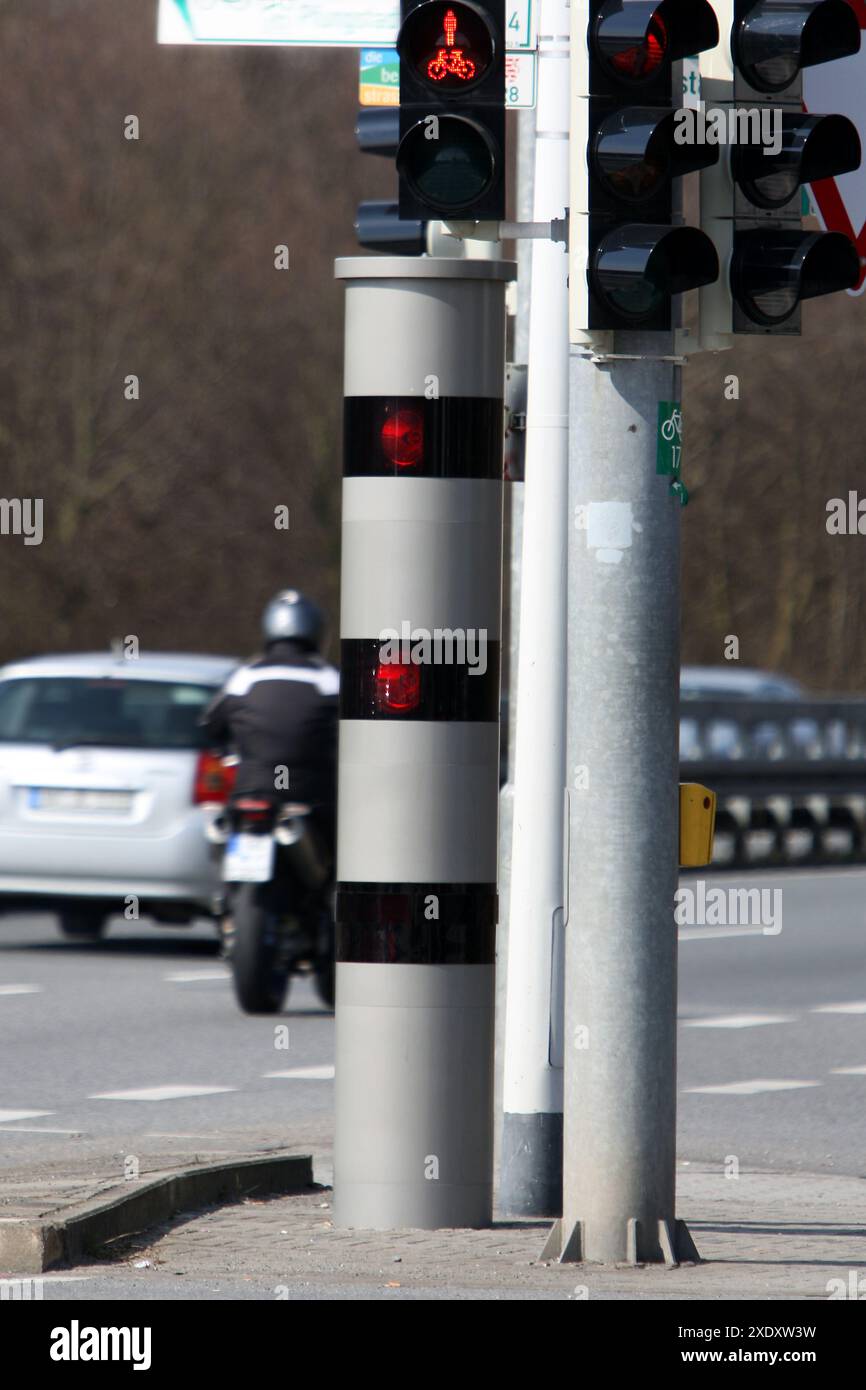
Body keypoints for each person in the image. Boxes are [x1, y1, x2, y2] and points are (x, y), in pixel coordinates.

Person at [200, 590, 339, 863]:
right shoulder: (329, 678)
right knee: (339, 856)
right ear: (314, 630)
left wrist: (230, 753)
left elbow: (209, 724)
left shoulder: (245, 675)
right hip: (309, 793)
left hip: (249, 789)